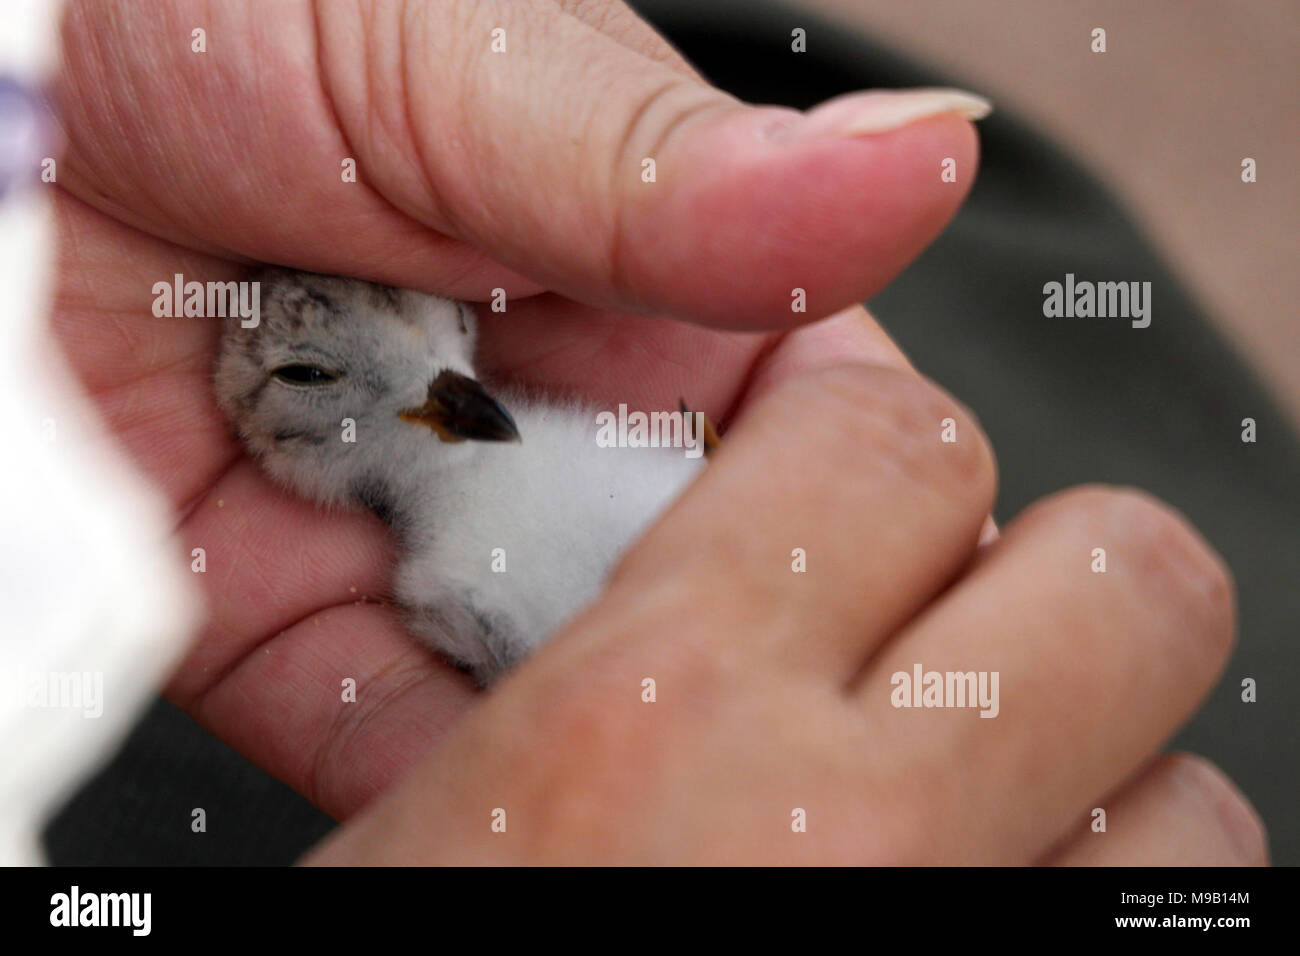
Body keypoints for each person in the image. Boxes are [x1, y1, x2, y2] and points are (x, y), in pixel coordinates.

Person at [49, 0, 1264, 864]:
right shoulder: (453, 574)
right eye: (322, 380)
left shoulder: (476, 523)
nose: (424, 381)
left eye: (420, 335)